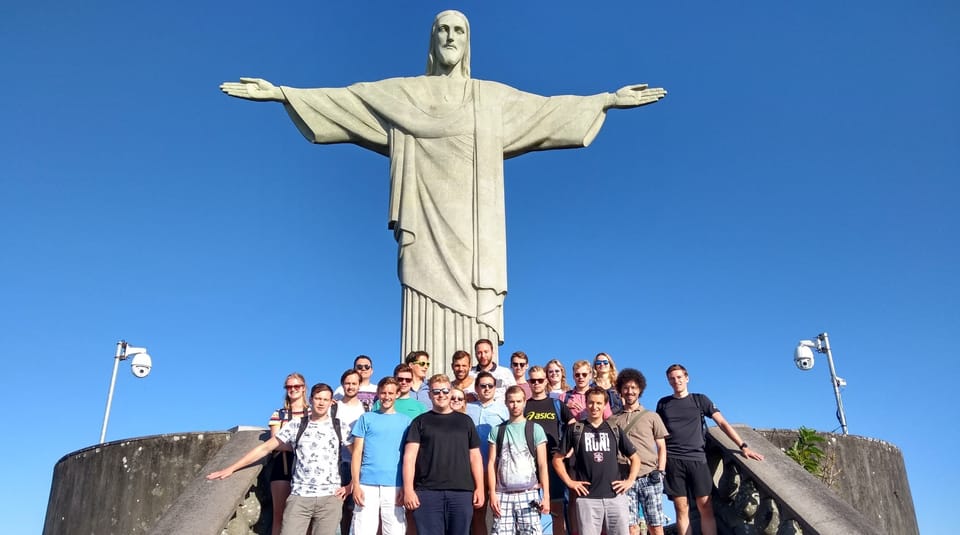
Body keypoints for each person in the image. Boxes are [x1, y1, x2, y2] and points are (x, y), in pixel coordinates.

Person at [219, 10, 666, 374]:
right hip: (423, 220)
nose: (450, 36)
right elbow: (347, 101)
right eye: (443, 29)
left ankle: (474, 381)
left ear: (468, 42)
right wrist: (282, 93)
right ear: (432, 40)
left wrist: (604, 99)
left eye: (459, 30)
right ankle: (422, 382)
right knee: (420, 298)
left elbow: (546, 111)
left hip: (476, 227)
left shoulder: (490, 98)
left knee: (477, 303)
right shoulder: (402, 93)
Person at [207, 383, 353, 535]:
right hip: (299, 496)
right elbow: (265, 448)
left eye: (325, 399)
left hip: (330, 497)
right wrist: (231, 468)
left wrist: (351, 485)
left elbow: (357, 455)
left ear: (331, 402)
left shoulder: (340, 426)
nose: (321, 402)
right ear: (311, 400)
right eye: (318, 398)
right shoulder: (297, 425)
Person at [656, 364, 765, 535]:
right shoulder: (663, 404)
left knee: (705, 506)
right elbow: (659, 434)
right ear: (668, 381)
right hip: (674, 461)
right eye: (672, 378)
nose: (676, 381)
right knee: (681, 508)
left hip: (698, 459)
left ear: (686, 378)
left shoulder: (700, 400)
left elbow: (722, 423)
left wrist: (743, 446)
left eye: (679, 377)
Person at [403, 374, 485, 535]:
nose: (441, 395)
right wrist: (408, 490)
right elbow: (409, 457)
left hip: (461, 492)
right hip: (427, 492)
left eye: (445, 391)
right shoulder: (419, 422)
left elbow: (475, 457)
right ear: (429, 395)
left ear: (450, 392)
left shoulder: (465, 421)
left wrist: (480, 488)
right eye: (436, 391)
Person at [553, 387, 641, 535]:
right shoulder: (576, 429)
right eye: (591, 403)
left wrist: (630, 480)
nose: (595, 407)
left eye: (599, 403)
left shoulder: (614, 428)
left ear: (605, 404)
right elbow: (557, 459)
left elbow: (635, 458)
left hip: (615, 497)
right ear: (586, 404)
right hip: (588, 498)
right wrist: (570, 482)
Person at [608, 369, 667, 535]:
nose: (630, 391)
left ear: (640, 389)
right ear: (620, 390)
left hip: (649, 475)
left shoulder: (651, 416)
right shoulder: (612, 419)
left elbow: (662, 446)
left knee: (655, 525)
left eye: (633, 387)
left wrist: (660, 471)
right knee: (630, 526)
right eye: (626, 388)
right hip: (624, 477)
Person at [350, 377, 412, 535]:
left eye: (391, 393)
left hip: (394, 484)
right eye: (383, 393)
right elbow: (357, 453)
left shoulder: (406, 422)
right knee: (362, 530)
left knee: (394, 530)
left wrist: (406, 486)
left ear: (397, 394)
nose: (387, 396)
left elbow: (409, 456)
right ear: (378, 394)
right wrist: (356, 485)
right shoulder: (366, 418)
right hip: (366, 483)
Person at [487, 386, 551, 535]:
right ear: (506, 403)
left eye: (518, 401)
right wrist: (492, 493)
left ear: (524, 403)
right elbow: (491, 463)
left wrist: (546, 496)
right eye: (511, 401)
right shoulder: (497, 430)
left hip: (529, 493)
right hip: (503, 494)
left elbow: (542, 465)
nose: (515, 405)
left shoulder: (535, 429)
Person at [523, 366, 575, 535]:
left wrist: (570, 448)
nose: (536, 383)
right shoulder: (524, 406)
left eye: (540, 380)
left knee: (557, 511)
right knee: (530, 513)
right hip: (529, 463)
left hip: (553, 462)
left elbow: (573, 424)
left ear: (546, 381)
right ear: (528, 382)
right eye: (533, 380)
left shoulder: (556, 404)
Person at [467, 371, 510, 535]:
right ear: (476, 388)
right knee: (478, 511)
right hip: (472, 469)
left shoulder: (503, 410)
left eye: (490, 386)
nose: (486, 389)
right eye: (482, 386)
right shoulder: (467, 408)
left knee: (500, 512)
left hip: (497, 469)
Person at [267, 373, 309, 535]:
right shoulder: (279, 414)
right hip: (283, 464)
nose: (293, 390)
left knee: (307, 516)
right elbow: (275, 443)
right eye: (289, 387)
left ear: (304, 388)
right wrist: (300, 447)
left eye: (296, 386)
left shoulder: (313, 412)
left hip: (307, 467)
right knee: (280, 514)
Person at [337, 369, 368, 535]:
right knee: (335, 510)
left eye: (354, 383)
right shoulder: (334, 407)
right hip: (335, 463)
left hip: (357, 463)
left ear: (359, 385)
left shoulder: (365, 409)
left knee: (353, 510)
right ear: (342, 385)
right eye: (347, 383)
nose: (350, 386)